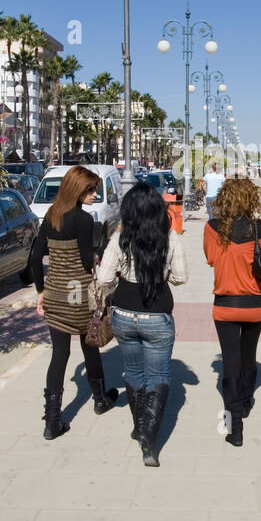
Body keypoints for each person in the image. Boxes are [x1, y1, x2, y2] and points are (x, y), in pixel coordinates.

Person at [96, 182, 189, 467]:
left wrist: (117, 284)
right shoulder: (170, 237)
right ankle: (149, 436)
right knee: (159, 375)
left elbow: (103, 279)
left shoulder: (120, 239)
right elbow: (181, 277)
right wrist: (163, 277)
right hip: (158, 314)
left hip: (124, 314)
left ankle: (139, 426)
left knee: (133, 372)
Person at [29, 166, 119, 440]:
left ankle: (52, 421)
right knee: (90, 345)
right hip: (77, 294)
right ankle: (100, 398)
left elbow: (34, 259)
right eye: (90, 190)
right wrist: (95, 256)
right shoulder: (83, 220)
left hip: (56, 294)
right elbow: (84, 261)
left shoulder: (51, 217)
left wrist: (41, 291)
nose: (94, 194)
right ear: (77, 191)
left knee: (60, 354)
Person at [203, 178, 261, 447]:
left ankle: (235, 427)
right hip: (256, 305)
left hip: (226, 305)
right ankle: (245, 401)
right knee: (249, 356)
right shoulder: (260, 228)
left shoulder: (212, 228)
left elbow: (210, 259)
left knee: (230, 364)